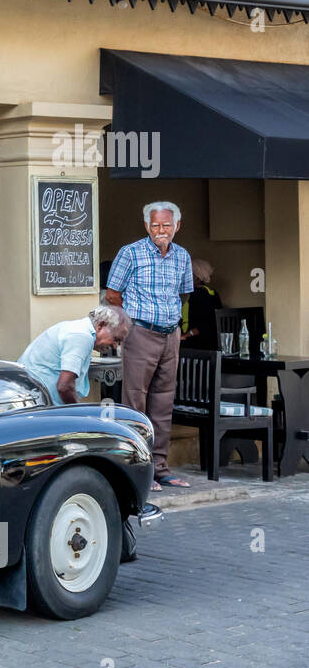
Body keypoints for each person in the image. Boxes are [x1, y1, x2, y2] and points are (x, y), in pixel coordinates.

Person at [105, 200, 194, 489]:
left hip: (170, 335)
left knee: (164, 402)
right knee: (135, 402)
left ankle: (161, 468)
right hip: (141, 333)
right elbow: (113, 294)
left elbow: (183, 296)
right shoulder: (130, 253)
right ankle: (136, 470)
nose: (161, 230)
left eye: (166, 225)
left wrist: (171, 324)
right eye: (155, 225)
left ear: (177, 226)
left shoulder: (182, 256)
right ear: (146, 225)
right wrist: (131, 322)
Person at [18, 305, 131, 405]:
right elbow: (64, 387)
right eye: (116, 339)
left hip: (33, 396)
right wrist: (80, 413)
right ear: (101, 325)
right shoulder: (82, 336)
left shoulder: (80, 330)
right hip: (38, 402)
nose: (116, 346)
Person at [181, 258, 224, 350]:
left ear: (197, 277)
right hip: (213, 342)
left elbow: (204, 325)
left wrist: (185, 336)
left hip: (197, 343)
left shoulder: (195, 295)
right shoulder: (213, 292)